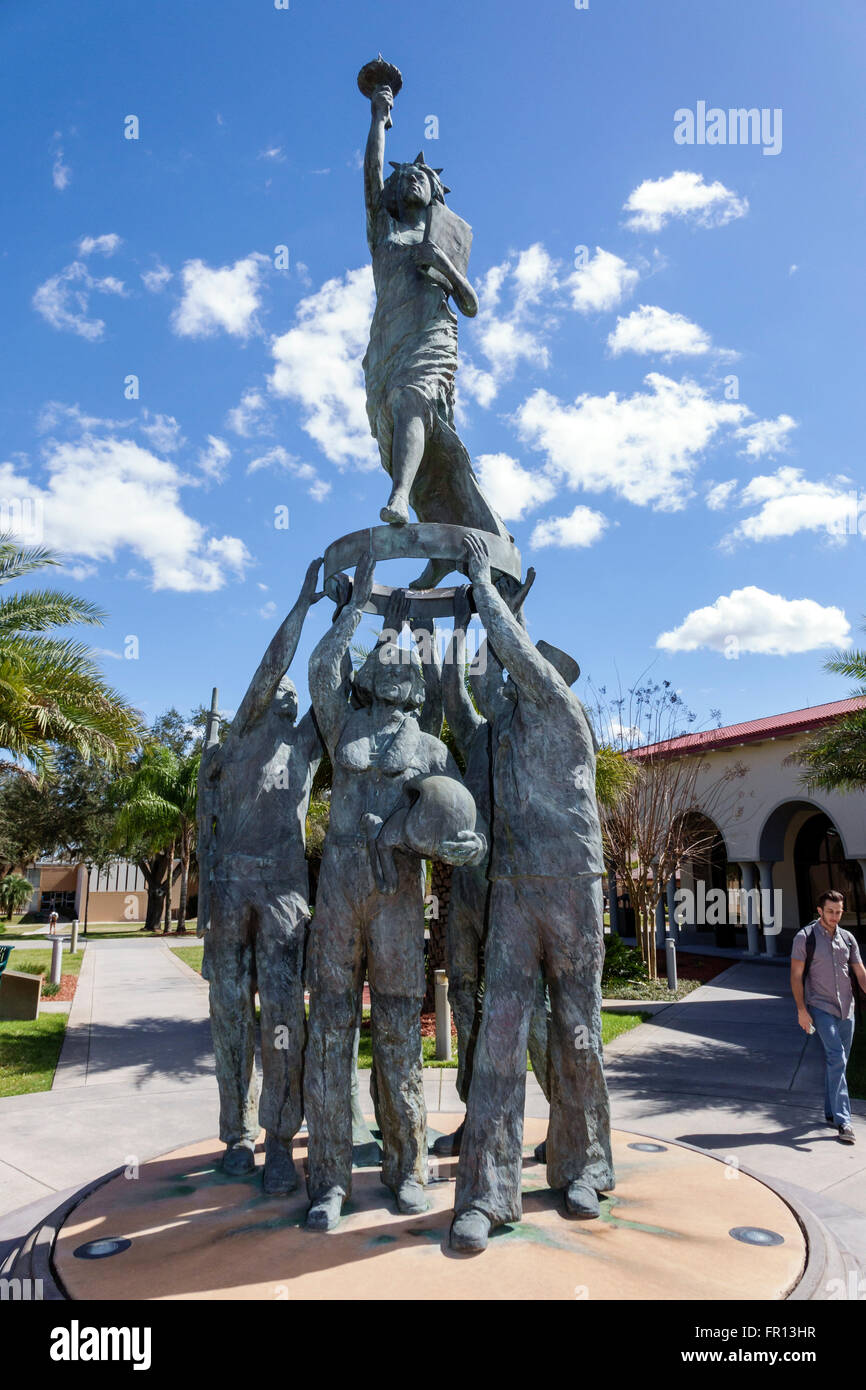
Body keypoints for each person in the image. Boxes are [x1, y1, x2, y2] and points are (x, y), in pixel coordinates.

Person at [304, 545, 486, 1232]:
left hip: (400, 893)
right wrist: (355, 607)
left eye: (402, 655)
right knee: (329, 1027)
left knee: (401, 1031)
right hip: (343, 885)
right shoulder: (341, 724)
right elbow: (322, 668)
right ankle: (327, 1179)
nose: (392, 659)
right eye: (383, 654)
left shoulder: (433, 750)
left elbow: (460, 830)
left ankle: (407, 1168)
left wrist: (465, 846)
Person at [451, 533, 614, 1253]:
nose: (513, 680)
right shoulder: (505, 731)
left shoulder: (560, 711)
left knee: (578, 1037)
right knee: (499, 1040)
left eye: (525, 669)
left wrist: (487, 589)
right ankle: (486, 1193)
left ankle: (581, 1168)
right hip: (515, 893)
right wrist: (478, 618)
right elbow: (483, 678)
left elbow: (511, 660)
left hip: (572, 891)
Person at [197, 558, 324, 1194]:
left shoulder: (305, 742)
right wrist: (304, 603)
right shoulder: (244, 735)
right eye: (278, 686)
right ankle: (236, 1134)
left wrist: (350, 615)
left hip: (283, 893)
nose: (287, 691)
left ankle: (280, 1137)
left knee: (281, 1016)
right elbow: (277, 663)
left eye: (294, 694)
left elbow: (329, 683)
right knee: (228, 1017)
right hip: (230, 893)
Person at [361, 81, 511, 587]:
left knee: (413, 399)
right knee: (394, 424)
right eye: (403, 178)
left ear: (435, 192)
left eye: (420, 178)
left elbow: (470, 305)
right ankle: (438, 538)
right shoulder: (384, 235)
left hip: (431, 336)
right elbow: (369, 176)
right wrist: (379, 118)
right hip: (387, 342)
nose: (410, 182)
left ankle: (398, 497)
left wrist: (443, 264)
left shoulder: (441, 242)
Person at [432, 583, 552, 1157]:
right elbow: (452, 689)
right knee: (463, 1002)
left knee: (532, 1017)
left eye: (501, 681)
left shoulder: (532, 745)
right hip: (467, 896)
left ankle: (566, 1127)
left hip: (514, 899)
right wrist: (457, 624)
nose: (493, 686)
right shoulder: (478, 738)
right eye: (491, 680)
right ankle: (475, 1120)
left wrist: (509, 612)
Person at [791, 890, 866, 1144]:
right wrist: (802, 1010)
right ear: (820, 910)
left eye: (839, 911)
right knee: (836, 1057)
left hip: (847, 1009)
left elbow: (860, 973)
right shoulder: (805, 938)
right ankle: (844, 1121)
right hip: (820, 1007)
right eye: (830, 911)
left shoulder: (848, 939)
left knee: (838, 1063)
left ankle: (830, 1110)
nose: (835, 916)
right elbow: (796, 976)